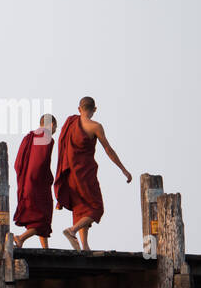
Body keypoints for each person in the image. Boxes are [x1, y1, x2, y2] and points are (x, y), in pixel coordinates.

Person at [53, 96, 131, 250]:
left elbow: (62, 150)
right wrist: (123, 169)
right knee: (96, 208)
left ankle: (85, 246)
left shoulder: (70, 122)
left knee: (81, 208)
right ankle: (72, 230)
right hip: (86, 174)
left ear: (79, 109)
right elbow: (108, 150)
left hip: (71, 174)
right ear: (95, 109)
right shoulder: (95, 126)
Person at [12, 113, 57, 248]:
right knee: (43, 218)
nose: (55, 131)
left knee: (39, 215)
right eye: (55, 128)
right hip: (37, 183)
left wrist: (24, 180)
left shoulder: (29, 137)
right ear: (52, 125)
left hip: (26, 182)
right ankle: (21, 238)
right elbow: (39, 161)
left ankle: (45, 247)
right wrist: (44, 178)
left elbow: (18, 163)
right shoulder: (46, 135)